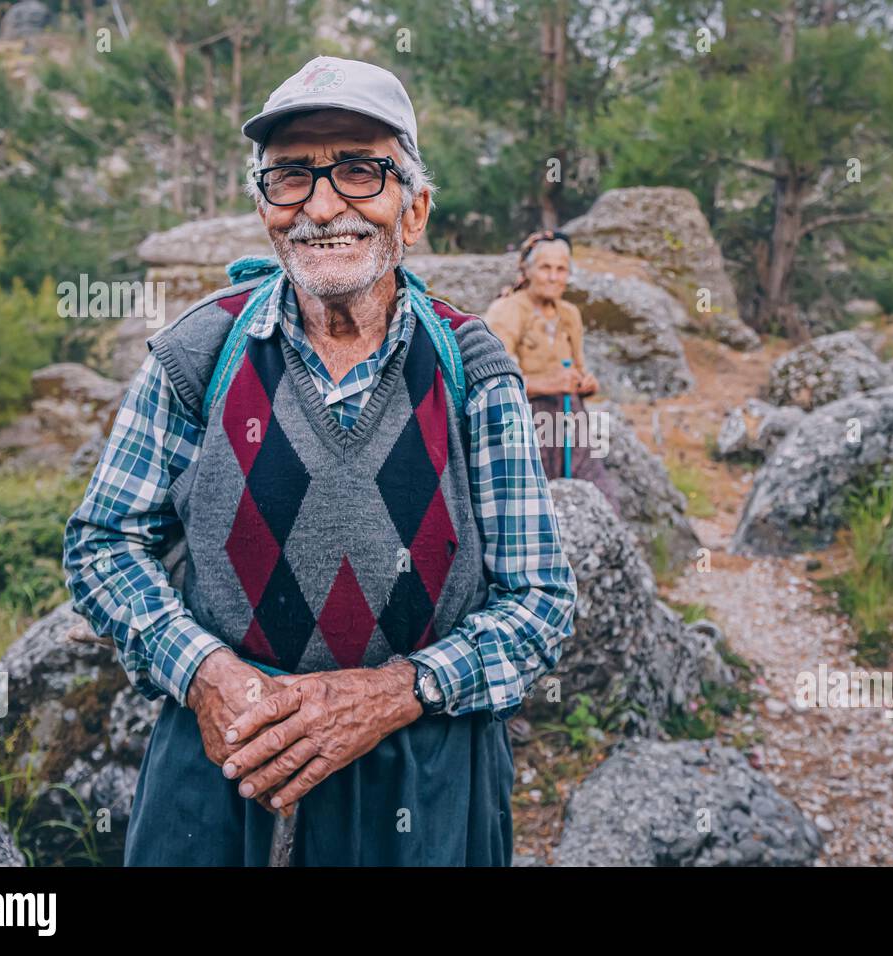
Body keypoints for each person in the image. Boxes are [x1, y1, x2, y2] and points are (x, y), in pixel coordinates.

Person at [62, 56, 577, 866]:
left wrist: (392, 693)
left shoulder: (474, 370)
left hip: (425, 786)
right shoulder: (198, 354)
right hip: (224, 770)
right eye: (291, 176)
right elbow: (102, 544)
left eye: (360, 170)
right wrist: (204, 673)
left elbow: (540, 601)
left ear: (414, 210)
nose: (323, 204)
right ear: (265, 208)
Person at [482, 230, 620, 511]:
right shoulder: (507, 310)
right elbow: (492, 382)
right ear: (527, 270)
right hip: (522, 420)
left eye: (561, 269)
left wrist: (586, 383)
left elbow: (580, 369)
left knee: (598, 500)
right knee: (536, 506)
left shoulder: (569, 314)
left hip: (570, 418)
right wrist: (548, 383)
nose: (554, 277)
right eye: (545, 268)